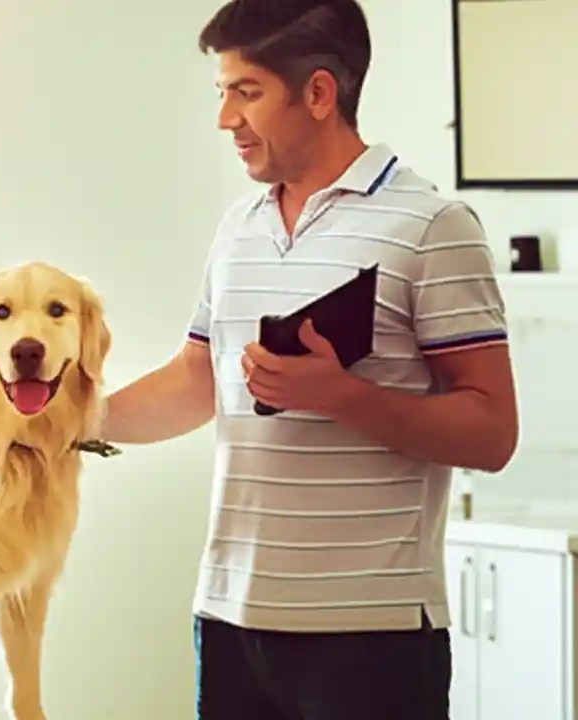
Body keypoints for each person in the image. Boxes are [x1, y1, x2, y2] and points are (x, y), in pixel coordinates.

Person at [101, 1, 519, 718]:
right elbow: (195, 382)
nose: (225, 118)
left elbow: (492, 433)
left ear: (320, 93)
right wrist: (65, 422)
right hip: (230, 619)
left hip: (371, 636)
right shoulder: (241, 225)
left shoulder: (433, 226)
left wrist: (342, 396)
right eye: (221, 93)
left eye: (247, 91)